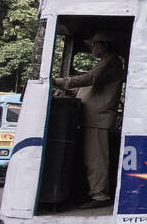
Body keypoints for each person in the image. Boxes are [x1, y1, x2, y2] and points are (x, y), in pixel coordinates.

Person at [52, 31, 125, 208]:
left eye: (93, 44)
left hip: (98, 119)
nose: (92, 48)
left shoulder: (111, 61)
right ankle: (94, 192)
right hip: (91, 118)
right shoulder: (104, 63)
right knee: (90, 159)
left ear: (103, 45)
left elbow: (89, 79)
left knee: (96, 159)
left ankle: (100, 195)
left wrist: (60, 81)